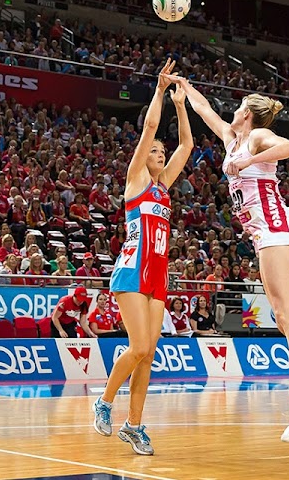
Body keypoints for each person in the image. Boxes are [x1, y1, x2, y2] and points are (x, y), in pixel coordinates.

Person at [176, 77, 289, 442]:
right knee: (285, 318)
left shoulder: (256, 138)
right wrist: (182, 88)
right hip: (264, 235)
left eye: (238, 107)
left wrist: (249, 162)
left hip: (276, 228)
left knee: (288, 317)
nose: (231, 112)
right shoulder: (232, 140)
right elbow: (205, 110)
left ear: (246, 114)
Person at [93, 60, 192, 456]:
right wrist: (159, 91)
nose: (159, 152)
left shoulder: (165, 185)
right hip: (132, 270)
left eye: (160, 152)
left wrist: (182, 105)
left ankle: (134, 425)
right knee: (137, 349)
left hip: (157, 276)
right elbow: (150, 128)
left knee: (149, 353)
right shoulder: (136, 180)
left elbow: (185, 145)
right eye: (154, 151)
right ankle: (103, 402)